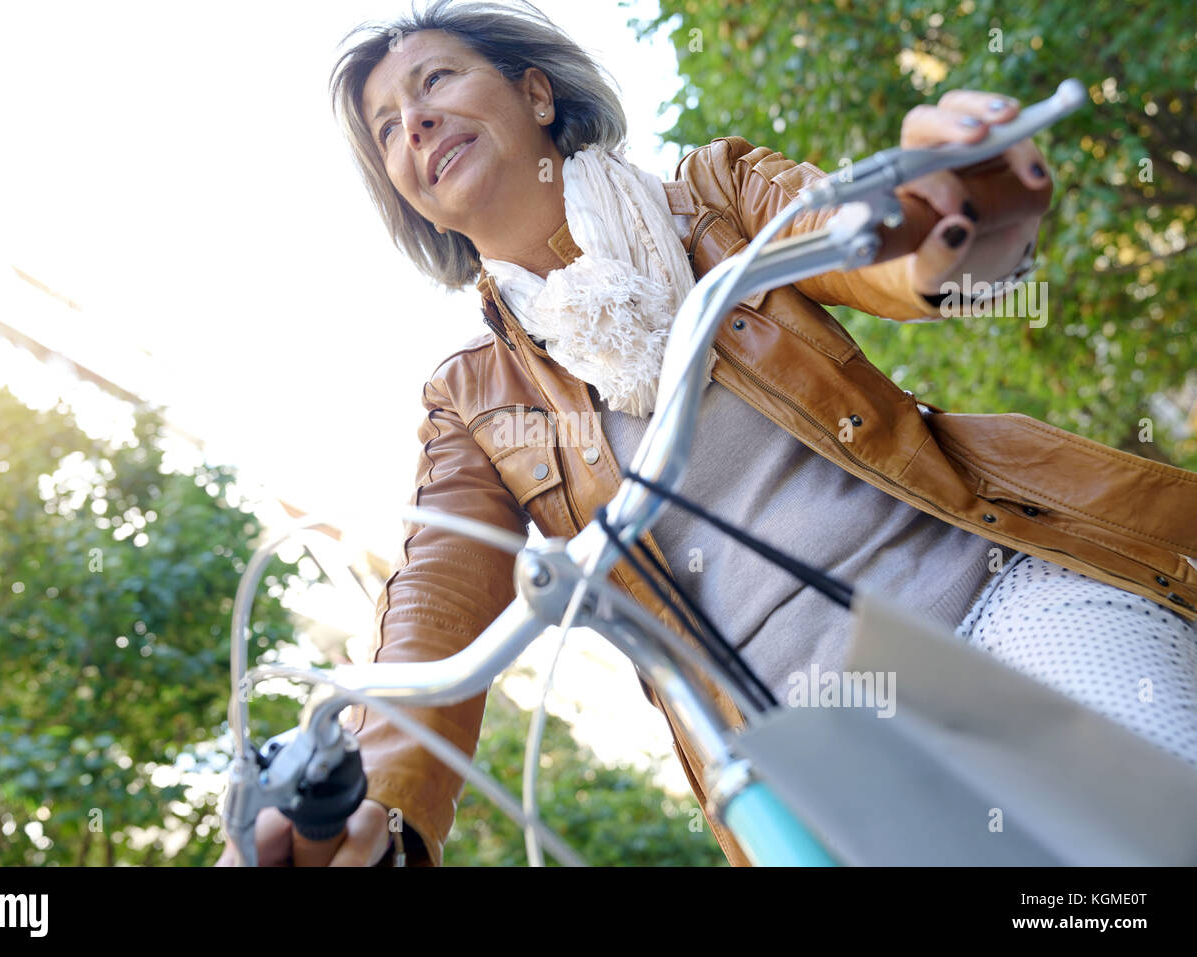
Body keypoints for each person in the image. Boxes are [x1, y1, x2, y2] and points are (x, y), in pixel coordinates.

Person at [217, 0, 1197, 867]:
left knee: (1154, 824)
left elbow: (874, 242)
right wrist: (375, 815)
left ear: (535, 95)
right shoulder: (474, 402)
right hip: (812, 745)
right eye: (387, 128)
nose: (415, 121)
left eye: (434, 80)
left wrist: (952, 205)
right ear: (407, 193)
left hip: (988, 604)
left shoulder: (718, 204)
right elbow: (431, 621)